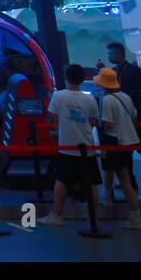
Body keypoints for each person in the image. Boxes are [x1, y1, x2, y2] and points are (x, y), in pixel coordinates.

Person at [40, 64, 102, 226]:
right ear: (83, 79)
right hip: (87, 148)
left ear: (66, 78)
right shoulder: (90, 99)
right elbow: (93, 121)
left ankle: (57, 215)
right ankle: (93, 218)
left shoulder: (58, 96)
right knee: (92, 183)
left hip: (66, 147)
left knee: (61, 180)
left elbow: (53, 119)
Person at [93, 68, 141, 231]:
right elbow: (134, 115)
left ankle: (111, 200)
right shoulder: (125, 97)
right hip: (129, 141)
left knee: (110, 171)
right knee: (125, 179)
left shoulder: (107, 100)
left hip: (114, 142)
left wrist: (98, 122)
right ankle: (135, 214)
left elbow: (108, 123)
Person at [108, 41, 141, 177]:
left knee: (139, 146)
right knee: (129, 148)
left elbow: (136, 93)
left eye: (111, 53)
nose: (109, 56)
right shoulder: (115, 71)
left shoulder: (133, 70)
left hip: (134, 114)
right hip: (121, 115)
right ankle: (131, 179)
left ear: (120, 53)